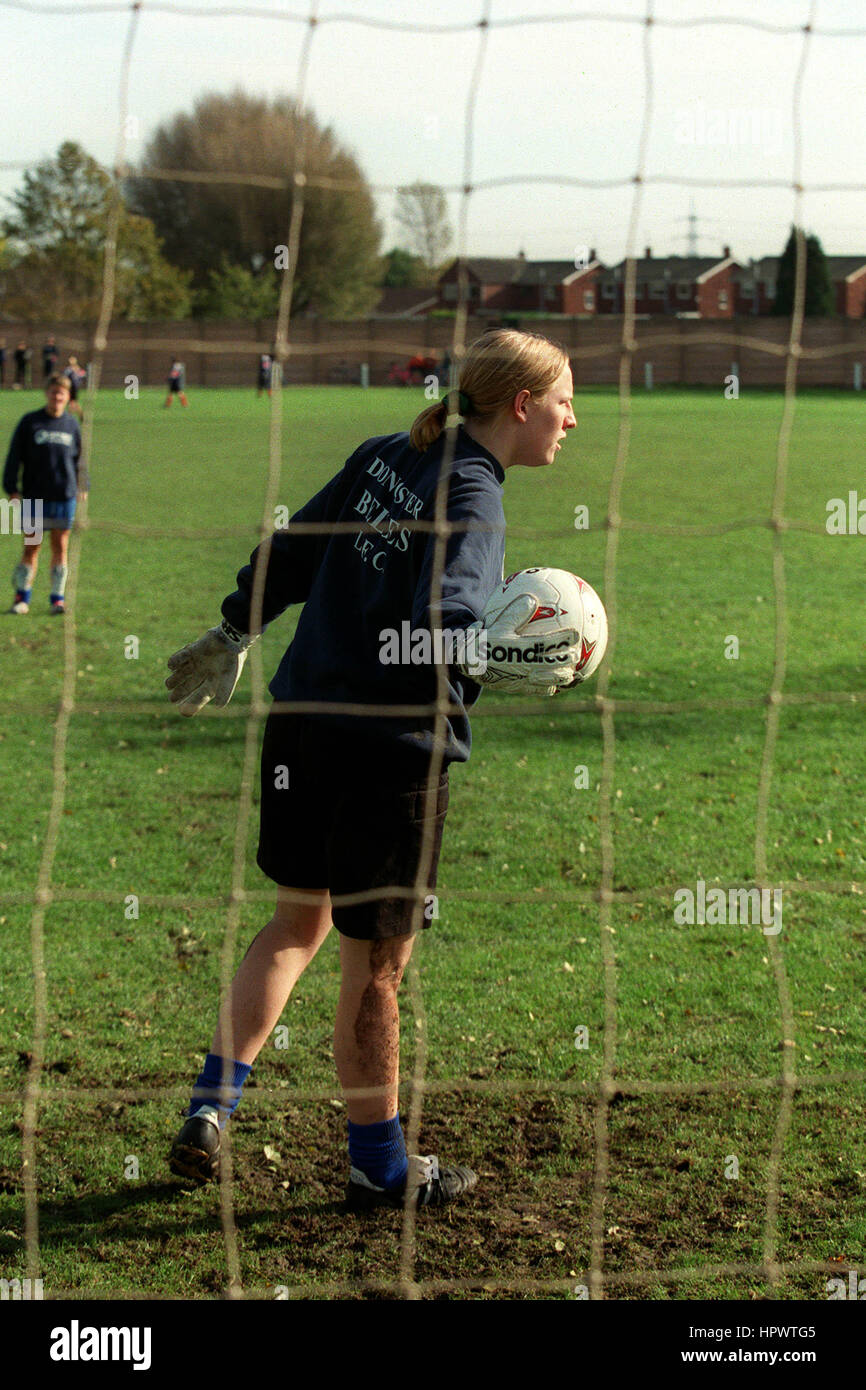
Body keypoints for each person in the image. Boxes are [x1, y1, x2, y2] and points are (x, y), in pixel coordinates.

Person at [164, 329, 579, 1211]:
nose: (572, 419)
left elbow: (298, 546)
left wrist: (235, 628)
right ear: (519, 404)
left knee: (292, 927)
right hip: (387, 758)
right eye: (564, 401)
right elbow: (453, 621)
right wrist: (517, 653)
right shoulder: (472, 492)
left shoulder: (389, 452)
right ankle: (379, 1167)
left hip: (302, 725)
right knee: (376, 969)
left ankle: (210, 1109)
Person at [3, 374, 87, 615]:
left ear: (68, 396)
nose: (57, 396)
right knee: (32, 546)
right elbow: (14, 456)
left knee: (61, 546)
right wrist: (11, 488)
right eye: (53, 392)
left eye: (62, 393)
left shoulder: (72, 425)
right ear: (47, 394)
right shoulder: (30, 422)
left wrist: (83, 484)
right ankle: (21, 599)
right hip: (34, 496)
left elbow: (80, 459)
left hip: (64, 495)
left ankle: (57, 600)